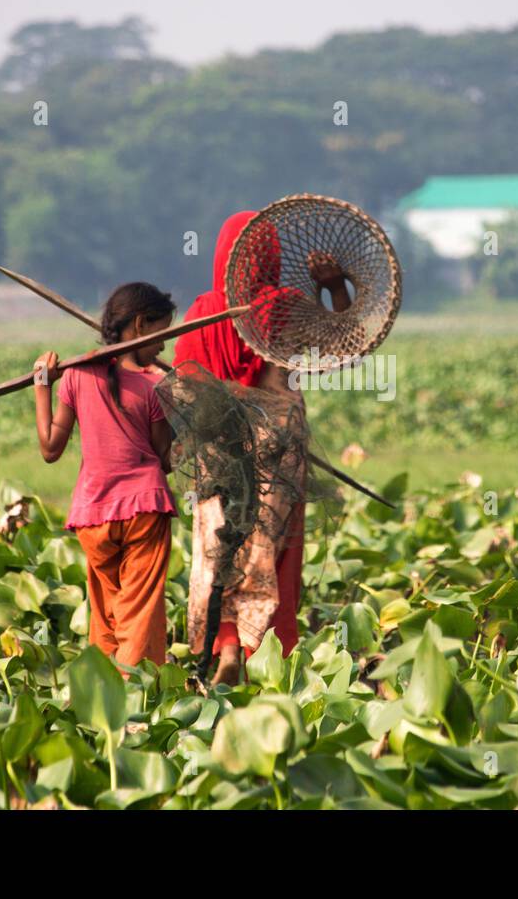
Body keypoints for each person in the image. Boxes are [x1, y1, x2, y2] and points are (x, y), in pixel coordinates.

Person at [174, 210, 352, 684]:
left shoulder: (200, 313)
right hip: (280, 450)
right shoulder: (286, 306)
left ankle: (227, 644)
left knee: (220, 549)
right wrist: (334, 287)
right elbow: (339, 341)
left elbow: (185, 386)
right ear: (270, 255)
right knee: (273, 552)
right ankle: (264, 649)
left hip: (217, 450)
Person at [32, 282, 177, 671]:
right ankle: (133, 699)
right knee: (139, 612)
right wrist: (187, 416)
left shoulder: (77, 375)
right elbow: (166, 460)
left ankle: (102, 689)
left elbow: (50, 450)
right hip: (144, 510)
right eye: (162, 333)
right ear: (141, 325)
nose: (164, 347)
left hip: (93, 516)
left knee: (108, 610)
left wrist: (42, 386)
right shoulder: (155, 385)